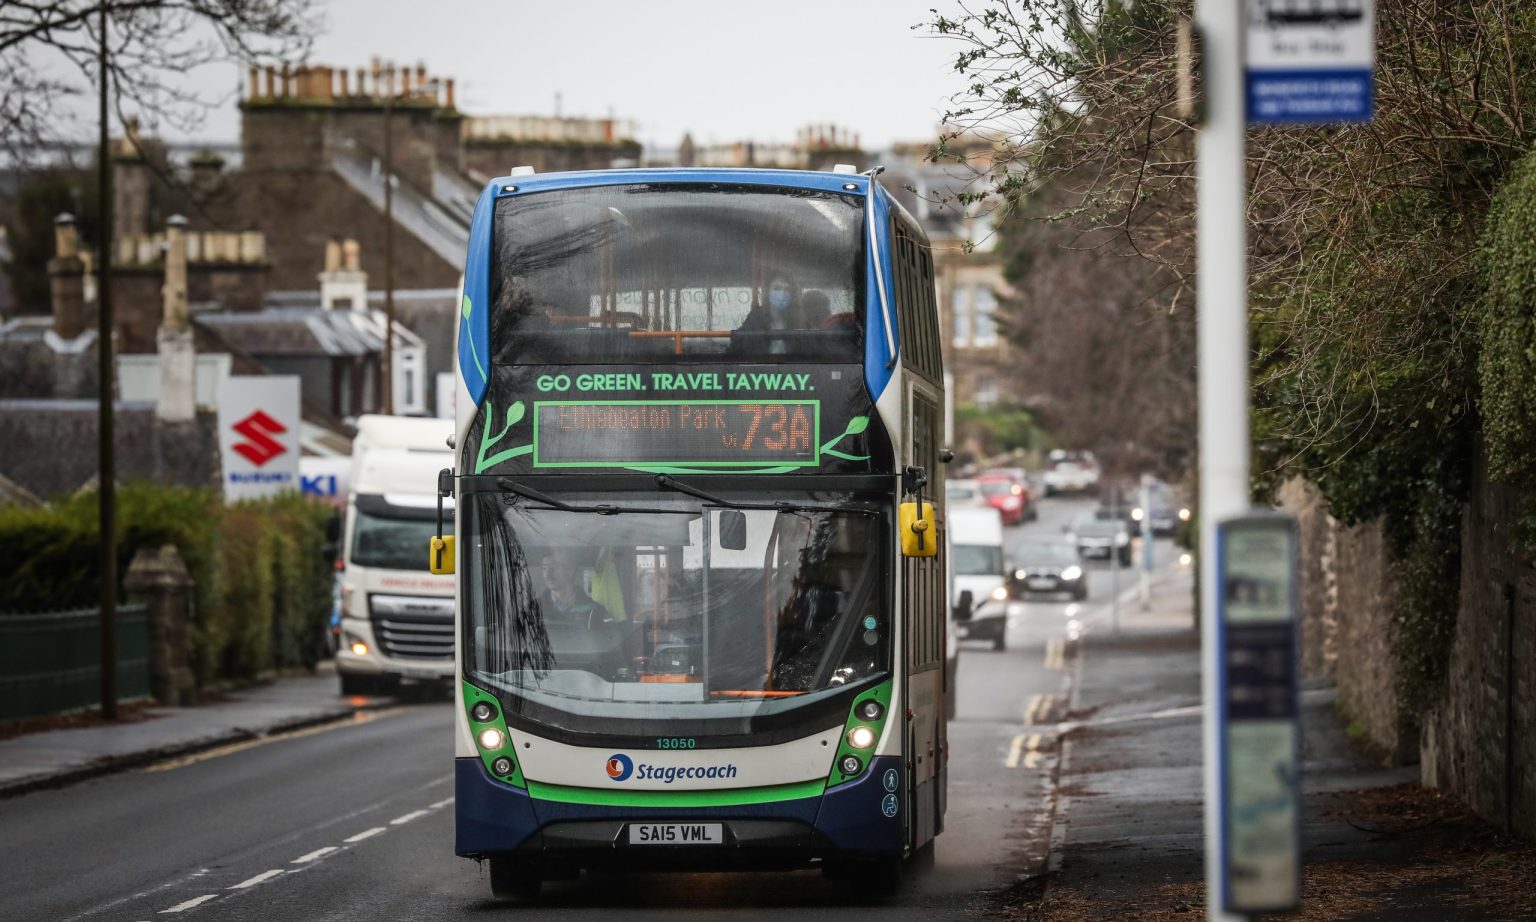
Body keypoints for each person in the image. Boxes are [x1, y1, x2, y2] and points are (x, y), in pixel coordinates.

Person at [535, 550, 612, 628]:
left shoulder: (596, 611)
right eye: (544, 568)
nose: (548, 575)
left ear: (571, 570)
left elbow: (610, 637)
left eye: (554, 567)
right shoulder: (532, 610)